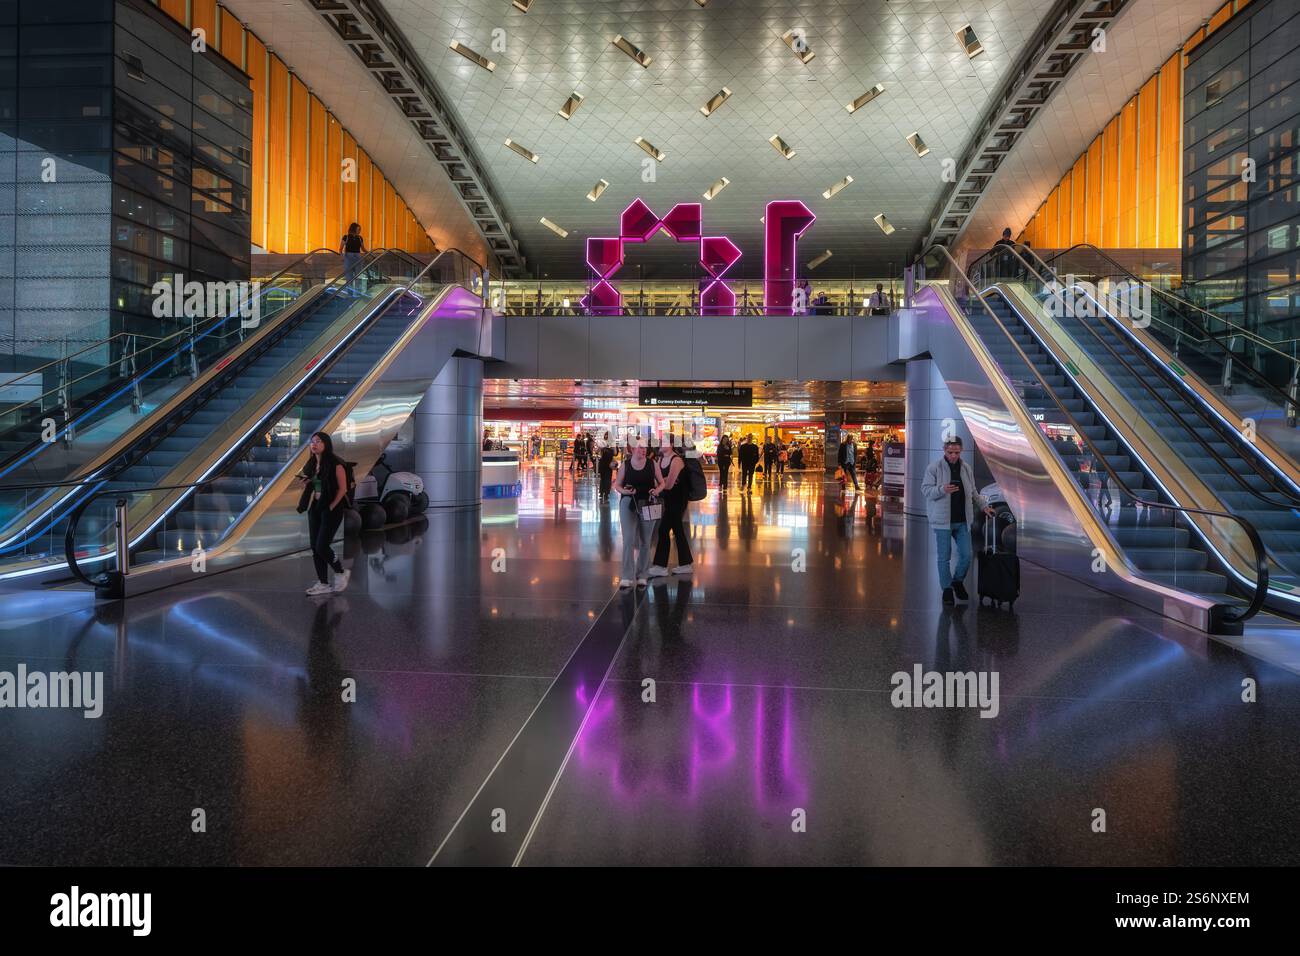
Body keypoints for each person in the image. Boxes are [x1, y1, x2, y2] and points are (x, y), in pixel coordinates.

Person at [922, 437, 995, 605]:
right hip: (943, 521)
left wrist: (984, 506)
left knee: (967, 555)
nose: (953, 456)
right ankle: (947, 589)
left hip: (962, 520)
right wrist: (942, 489)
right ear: (944, 450)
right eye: (950, 452)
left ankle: (957, 581)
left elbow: (973, 492)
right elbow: (925, 490)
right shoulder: (934, 468)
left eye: (956, 452)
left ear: (961, 451)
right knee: (944, 557)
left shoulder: (966, 468)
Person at [296, 431, 351, 596]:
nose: (314, 444)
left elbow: (343, 489)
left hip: (331, 508)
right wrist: (307, 483)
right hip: (316, 507)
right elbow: (315, 485)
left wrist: (332, 506)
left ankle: (341, 572)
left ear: (326, 444)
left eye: (318, 441)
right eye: (312, 442)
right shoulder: (312, 465)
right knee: (315, 547)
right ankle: (323, 583)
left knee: (322, 546)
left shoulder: (336, 464)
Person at [612, 439, 659, 588]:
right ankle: (627, 576)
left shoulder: (652, 464)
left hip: (648, 503)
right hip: (629, 503)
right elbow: (617, 485)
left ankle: (642, 574)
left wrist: (657, 490)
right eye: (639, 448)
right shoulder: (625, 465)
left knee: (646, 540)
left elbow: (662, 482)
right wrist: (625, 491)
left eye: (644, 448)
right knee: (628, 539)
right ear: (632, 449)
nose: (643, 450)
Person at [647, 436, 693, 578]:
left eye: (664, 442)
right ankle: (686, 564)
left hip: (678, 500)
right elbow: (657, 480)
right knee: (677, 530)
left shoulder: (676, 460)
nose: (660, 444)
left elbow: (668, 484)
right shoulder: (660, 460)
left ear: (671, 445)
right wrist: (660, 483)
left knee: (663, 530)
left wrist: (660, 484)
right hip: (668, 500)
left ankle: (661, 566)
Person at [339, 222, 367, 289]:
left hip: (358, 256)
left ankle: (358, 292)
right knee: (349, 276)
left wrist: (369, 252)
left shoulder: (360, 238)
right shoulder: (346, 237)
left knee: (358, 275)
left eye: (360, 229)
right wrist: (342, 256)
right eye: (358, 229)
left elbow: (363, 249)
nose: (359, 231)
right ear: (354, 229)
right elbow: (340, 249)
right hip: (348, 256)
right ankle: (349, 293)